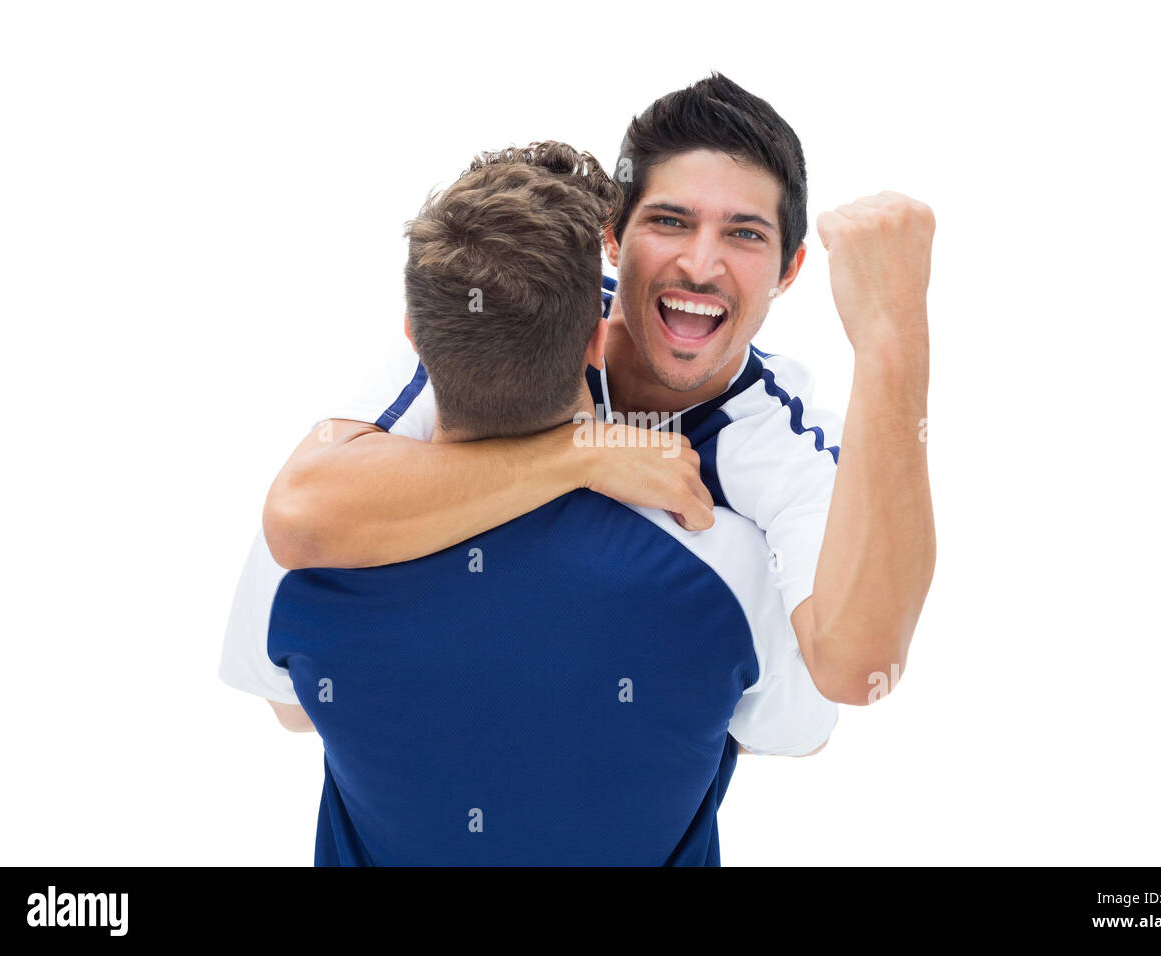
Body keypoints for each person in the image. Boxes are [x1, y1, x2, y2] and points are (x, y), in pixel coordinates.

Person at [221, 142, 837, 865]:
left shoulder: (310, 547)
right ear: (593, 342)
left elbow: (292, 713)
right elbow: (799, 733)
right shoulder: (728, 562)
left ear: (415, 338)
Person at [257, 73, 937, 708]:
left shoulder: (777, 442)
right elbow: (299, 513)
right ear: (613, 237)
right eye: (670, 221)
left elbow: (856, 669)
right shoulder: (516, 308)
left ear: (789, 271)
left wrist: (891, 341)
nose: (701, 264)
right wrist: (582, 457)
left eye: (744, 234)